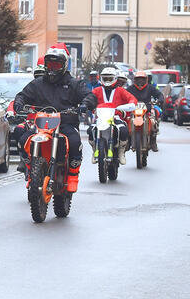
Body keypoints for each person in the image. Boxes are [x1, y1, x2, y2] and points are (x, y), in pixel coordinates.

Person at [13, 45, 91, 194]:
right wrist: (19, 104)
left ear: (64, 65)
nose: (53, 68)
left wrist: (85, 105)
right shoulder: (38, 83)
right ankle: (31, 170)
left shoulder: (73, 83)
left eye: (57, 64)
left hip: (65, 123)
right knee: (23, 140)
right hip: (41, 124)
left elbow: (88, 95)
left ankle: (73, 175)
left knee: (75, 142)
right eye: (50, 64)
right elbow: (23, 95)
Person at [84, 66, 137, 165]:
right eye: (105, 78)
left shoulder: (120, 90)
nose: (107, 81)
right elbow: (89, 98)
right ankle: (94, 149)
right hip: (100, 118)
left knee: (124, 130)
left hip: (116, 117)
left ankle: (121, 152)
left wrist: (129, 105)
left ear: (115, 78)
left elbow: (132, 99)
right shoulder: (97, 90)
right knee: (90, 130)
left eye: (110, 78)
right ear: (101, 78)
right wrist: (85, 104)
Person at [126, 71, 163, 151]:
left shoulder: (150, 88)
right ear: (134, 80)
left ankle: (153, 141)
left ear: (146, 80)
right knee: (126, 121)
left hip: (147, 110)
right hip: (133, 111)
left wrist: (160, 99)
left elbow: (159, 94)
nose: (140, 81)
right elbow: (124, 95)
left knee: (153, 120)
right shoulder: (130, 88)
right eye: (138, 79)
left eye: (142, 79)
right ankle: (128, 140)